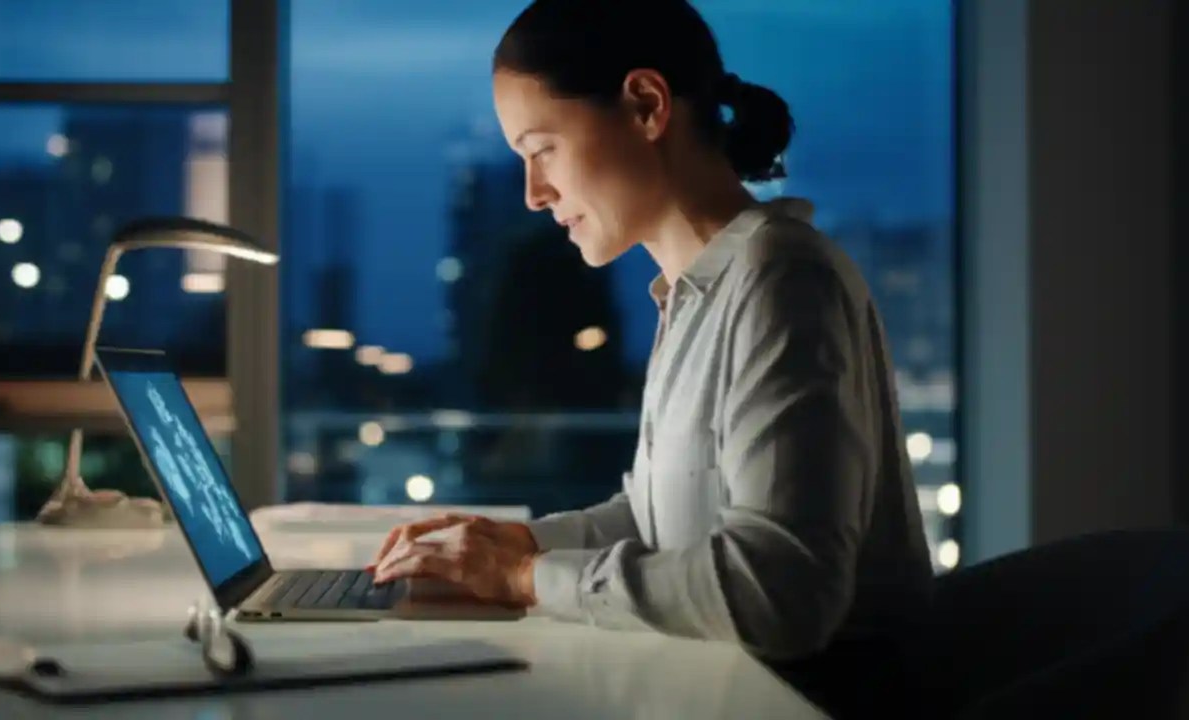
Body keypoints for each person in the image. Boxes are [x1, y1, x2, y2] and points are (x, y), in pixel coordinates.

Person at [369, 0, 934, 715]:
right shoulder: (696, 294)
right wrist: (511, 545)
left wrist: (526, 577)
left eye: (542, 150)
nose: (535, 194)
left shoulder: (783, 278)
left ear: (644, 105)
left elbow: (783, 594)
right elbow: (659, 520)